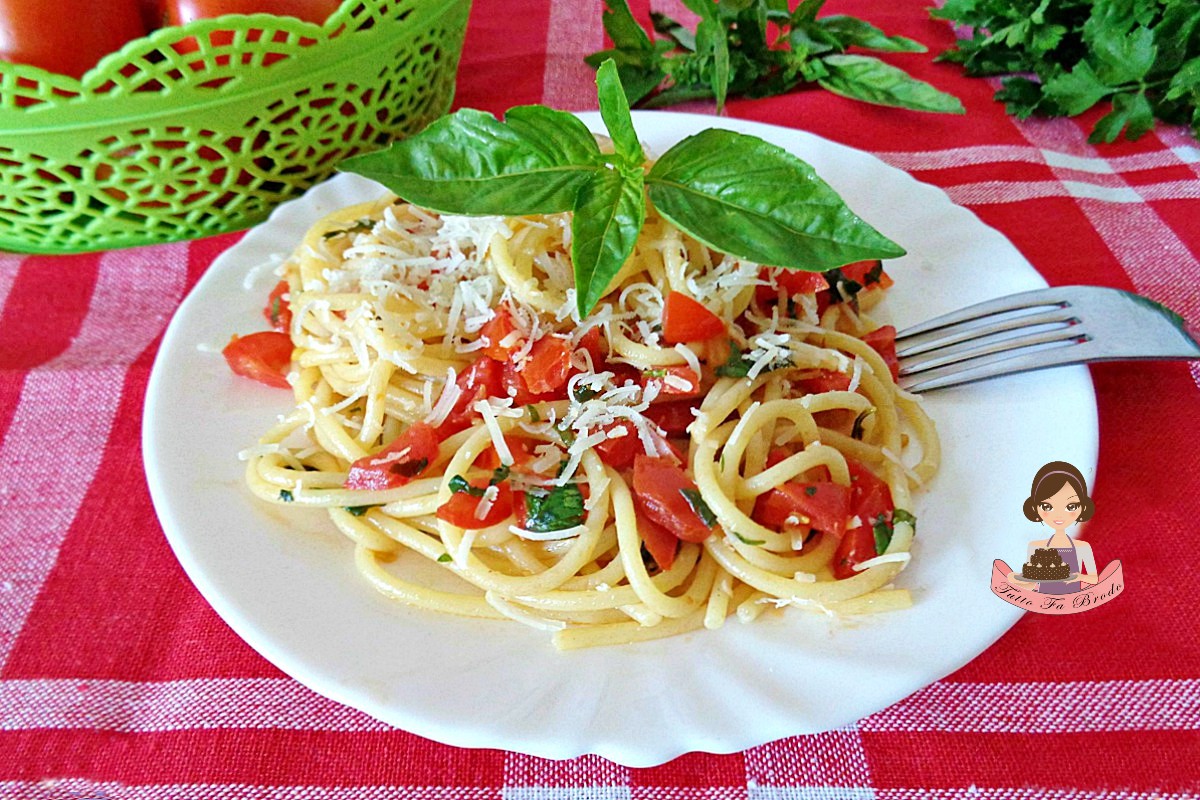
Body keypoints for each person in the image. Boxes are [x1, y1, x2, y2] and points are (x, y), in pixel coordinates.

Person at [1012, 461, 1097, 594]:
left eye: (1070, 506)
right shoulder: (1034, 545)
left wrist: (1076, 577)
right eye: (1048, 507)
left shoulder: (1080, 547)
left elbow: (1092, 578)